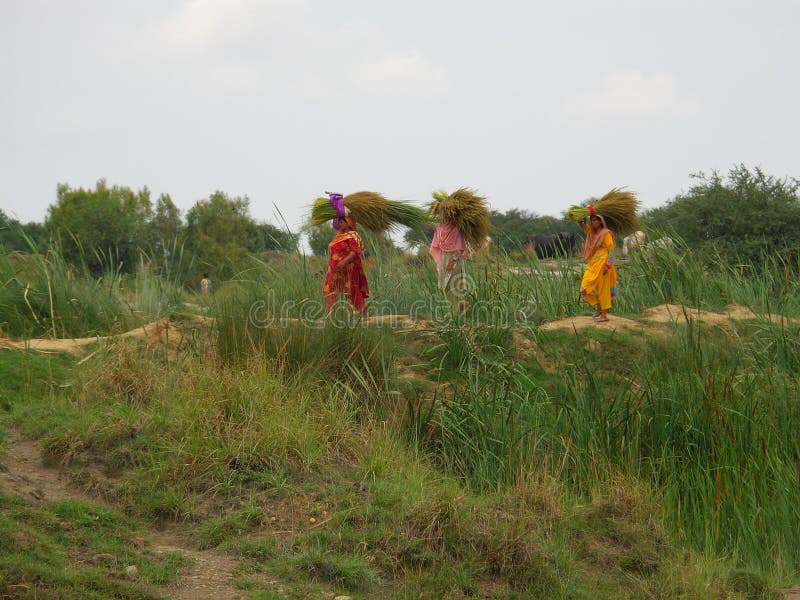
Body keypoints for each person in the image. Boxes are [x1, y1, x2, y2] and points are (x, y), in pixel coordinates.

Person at [429, 202, 470, 313]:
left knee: (453, 287)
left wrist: (452, 261)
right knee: (445, 287)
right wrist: (435, 209)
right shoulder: (441, 228)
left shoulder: (456, 228)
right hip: (444, 259)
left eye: (447, 215)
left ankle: (456, 315)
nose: (445, 217)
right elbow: (430, 221)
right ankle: (461, 306)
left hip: (454, 260)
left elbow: (460, 248)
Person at [322, 216, 370, 314]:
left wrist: (343, 262)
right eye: (339, 222)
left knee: (353, 288)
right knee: (334, 289)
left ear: (349, 222)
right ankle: (328, 314)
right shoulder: (339, 236)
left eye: (342, 221)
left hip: (350, 268)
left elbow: (354, 253)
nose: (340, 224)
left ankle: (363, 313)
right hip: (337, 269)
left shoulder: (353, 235)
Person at [579, 214, 617, 322]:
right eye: (592, 220)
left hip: (604, 263)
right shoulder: (592, 233)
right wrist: (582, 221)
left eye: (595, 220)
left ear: (601, 222)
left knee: (603, 289)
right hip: (593, 263)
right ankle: (599, 306)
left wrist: (607, 265)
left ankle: (604, 315)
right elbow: (586, 229)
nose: (593, 222)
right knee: (584, 288)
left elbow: (612, 252)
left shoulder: (606, 234)